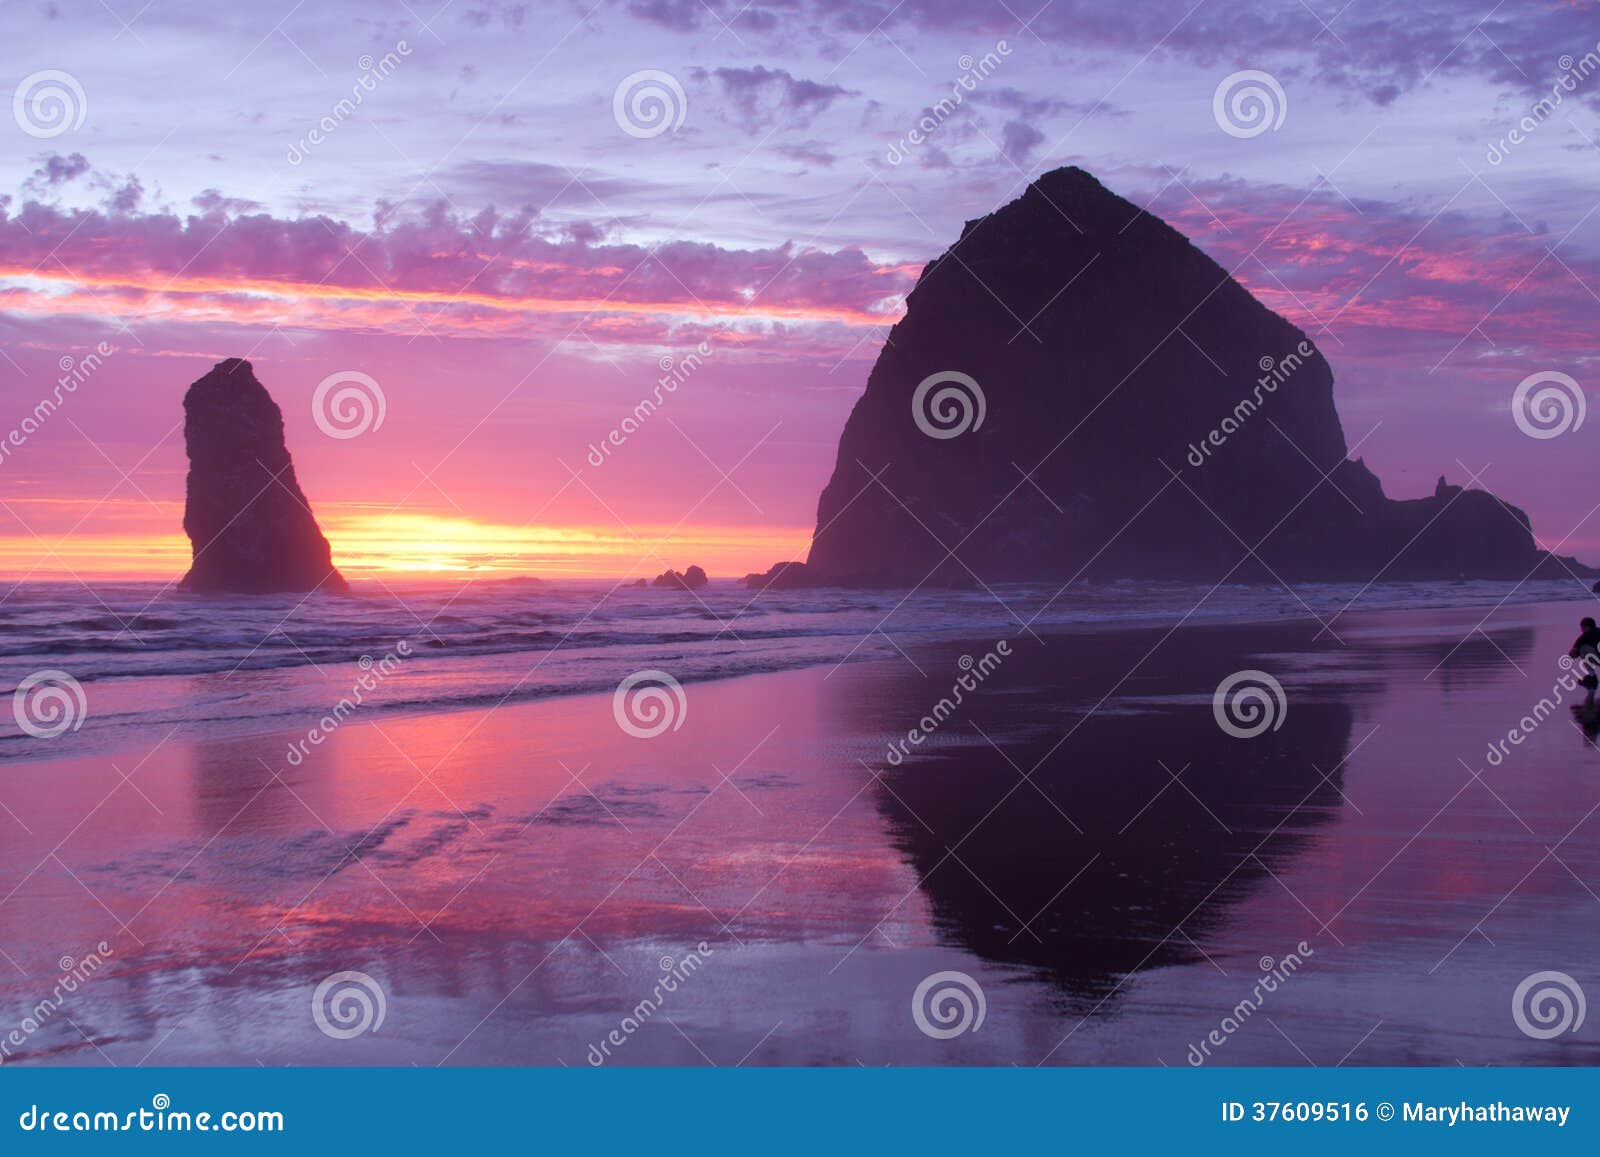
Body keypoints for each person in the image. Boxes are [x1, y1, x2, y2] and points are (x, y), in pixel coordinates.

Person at [1570, 616, 1600, 709]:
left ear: (1586, 627)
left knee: (1583, 649)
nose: (1581, 630)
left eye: (1582, 628)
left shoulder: (1585, 636)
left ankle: (1592, 676)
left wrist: (1577, 652)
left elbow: (1572, 654)